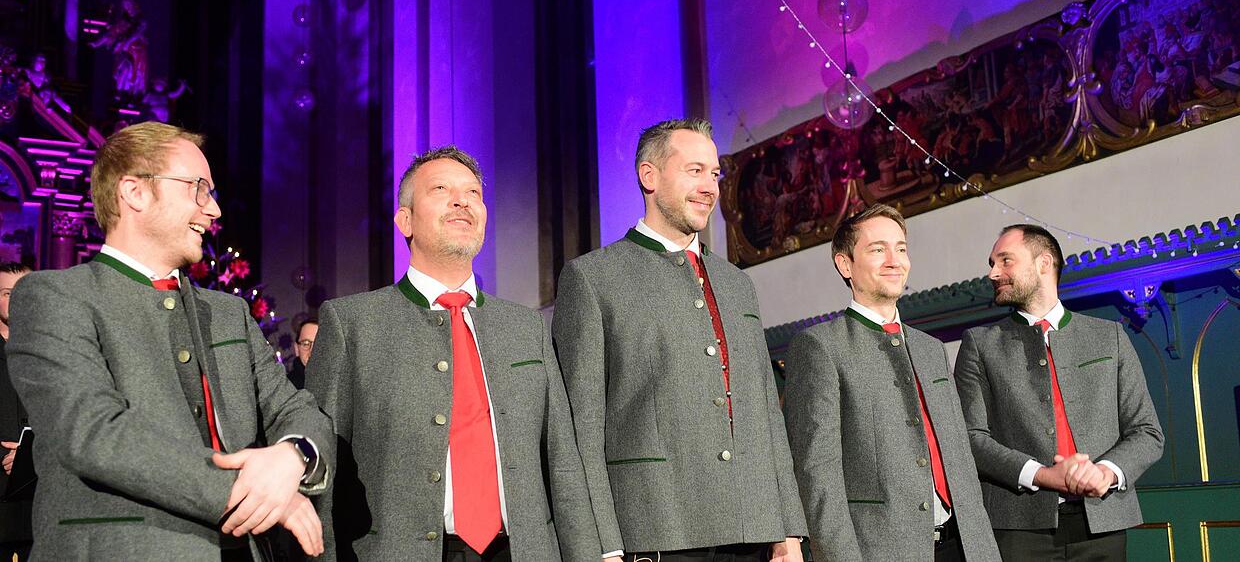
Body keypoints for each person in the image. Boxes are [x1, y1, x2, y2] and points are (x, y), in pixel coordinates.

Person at [6, 121, 332, 560]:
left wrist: (293, 456)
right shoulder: (53, 296)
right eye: (198, 188)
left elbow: (295, 409)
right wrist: (254, 491)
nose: (213, 209)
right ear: (134, 192)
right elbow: (95, 433)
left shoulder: (227, 312)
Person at [306, 146, 600, 561]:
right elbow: (321, 464)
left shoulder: (525, 327)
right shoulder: (352, 323)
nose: (462, 200)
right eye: (441, 189)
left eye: (474, 193)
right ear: (404, 220)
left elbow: (563, 462)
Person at [553, 118, 807, 562]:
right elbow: (580, 431)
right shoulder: (592, 279)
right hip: (655, 530)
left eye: (714, 174)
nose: (710, 186)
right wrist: (600, 544)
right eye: (695, 170)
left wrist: (788, 527)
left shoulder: (736, 284)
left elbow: (766, 410)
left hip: (751, 527)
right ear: (649, 176)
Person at [782, 204, 1000, 561]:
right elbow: (817, 474)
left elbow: (958, 455)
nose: (894, 260)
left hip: (962, 547)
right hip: (882, 551)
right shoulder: (820, 346)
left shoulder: (931, 349)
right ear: (845, 264)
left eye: (900, 248)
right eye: (878, 249)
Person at [954, 224, 1164, 560]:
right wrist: (1042, 475)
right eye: (992, 263)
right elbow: (970, 439)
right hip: (1018, 529)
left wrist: (1106, 473)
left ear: (1044, 263)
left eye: (1005, 260)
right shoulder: (980, 344)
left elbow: (1147, 432)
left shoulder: (1109, 336)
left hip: (1104, 523)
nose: (993, 273)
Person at [0, 262, 32, 559]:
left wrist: (31, 454)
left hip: (37, 507)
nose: (17, 299)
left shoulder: (49, 351)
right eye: (8, 293)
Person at [287, 316, 318, 390]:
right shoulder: (286, 388)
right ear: (297, 349)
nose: (312, 352)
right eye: (306, 343)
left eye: (319, 344)